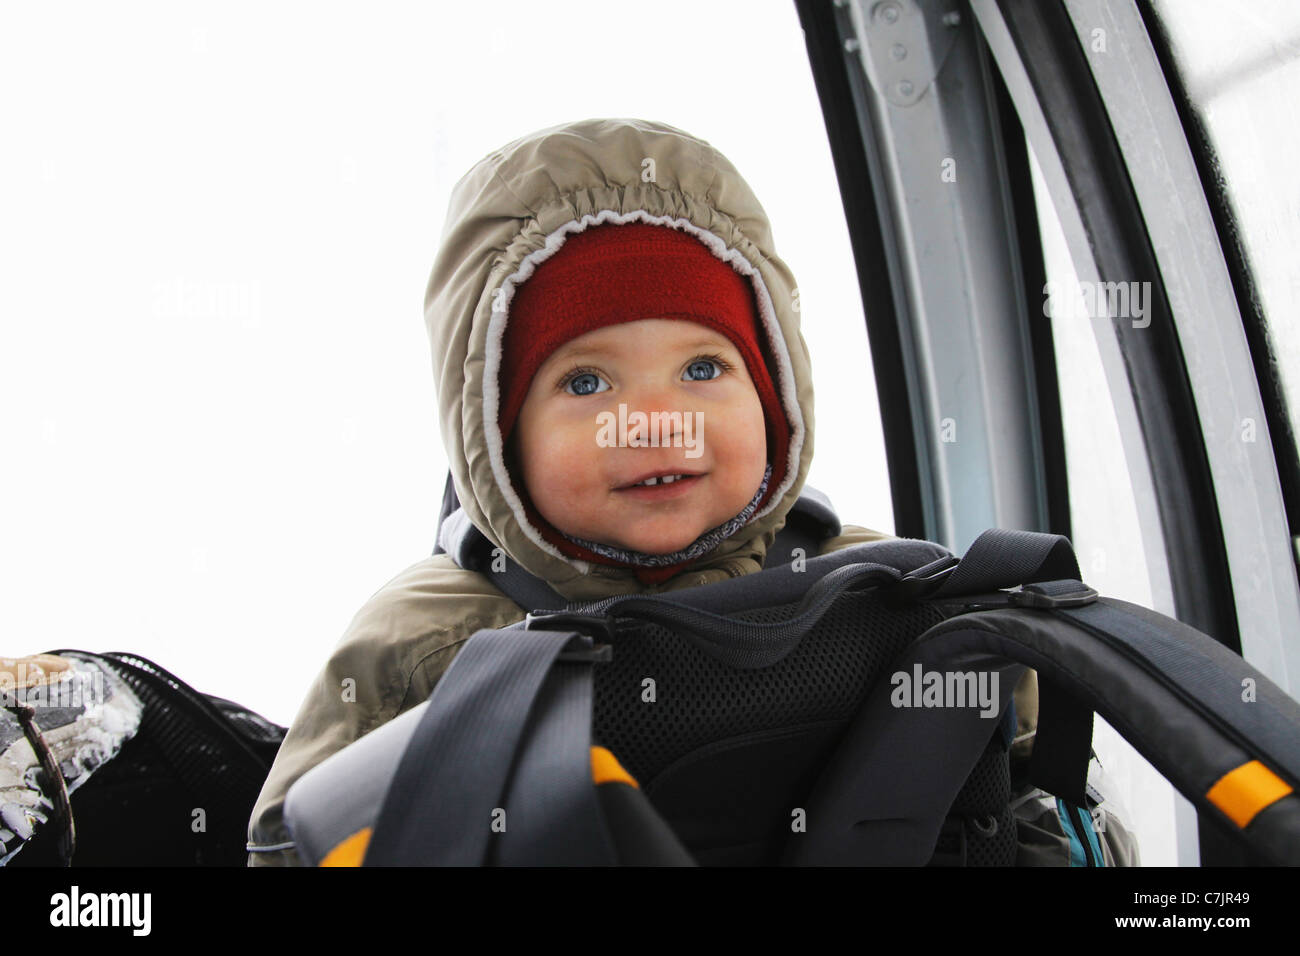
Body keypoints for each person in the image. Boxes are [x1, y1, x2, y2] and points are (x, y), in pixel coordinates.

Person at [246, 117, 1130, 866]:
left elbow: (1029, 787)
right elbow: (294, 839)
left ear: (775, 398)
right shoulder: (425, 635)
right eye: (587, 384)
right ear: (495, 434)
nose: (657, 421)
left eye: (703, 367)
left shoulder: (874, 587)